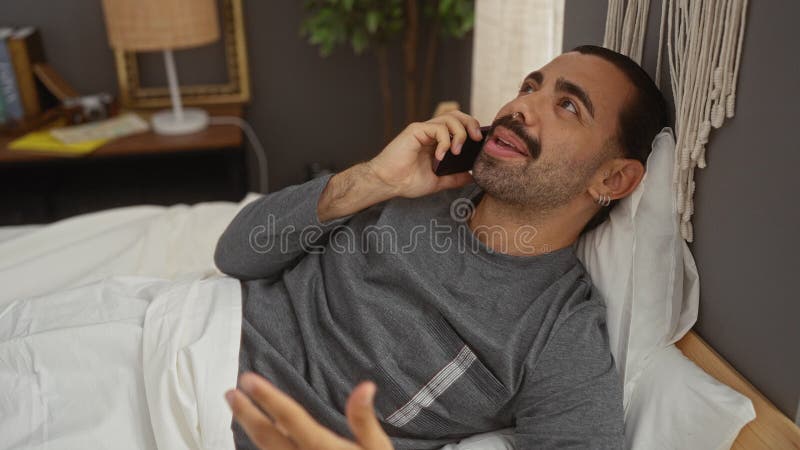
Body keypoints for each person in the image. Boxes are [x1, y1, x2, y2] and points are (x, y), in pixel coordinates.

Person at [215, 44, 669, 450]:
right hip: (190, 325)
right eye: (530, 86)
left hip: (218, 420)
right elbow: (234, 253)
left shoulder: (558, 331)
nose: (521, 107)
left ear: (613, 178)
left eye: (568, 106)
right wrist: (372, 179)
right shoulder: (419, 185)